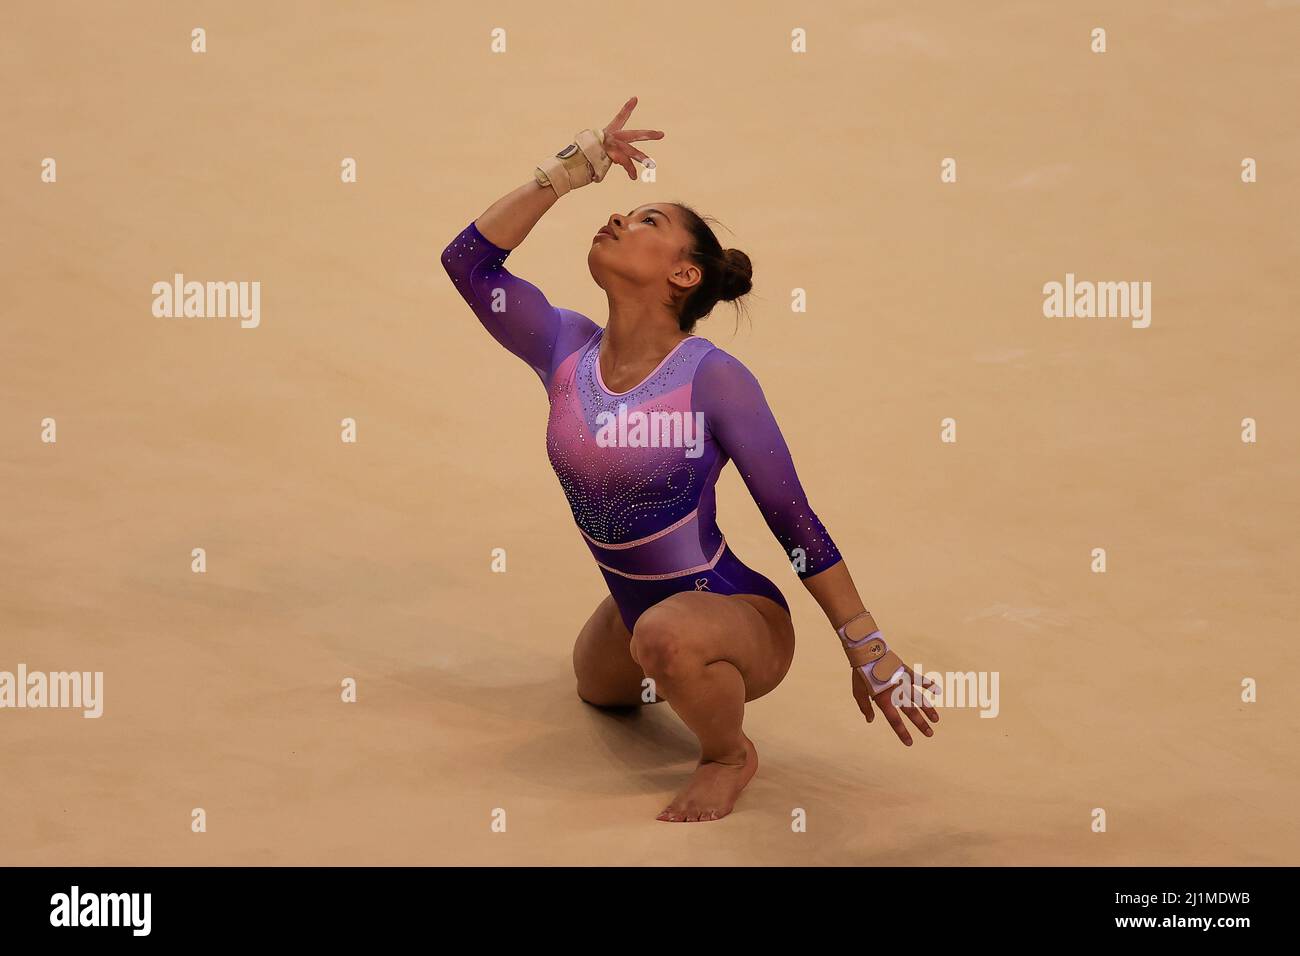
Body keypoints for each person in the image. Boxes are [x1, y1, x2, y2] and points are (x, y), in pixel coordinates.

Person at [442, 96, 938, 823]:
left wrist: (866, 643)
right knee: (601, 688)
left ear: (684, 276)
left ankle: (729, 754)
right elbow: (468, 262)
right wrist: (573, 169)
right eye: (625, 211)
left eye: (649, 222)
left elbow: (792, 519)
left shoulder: (712, 378)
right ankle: (658, 645)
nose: (619, 218)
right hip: (637, 608)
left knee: (665, 640)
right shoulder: (563, 349)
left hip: (736, 613)